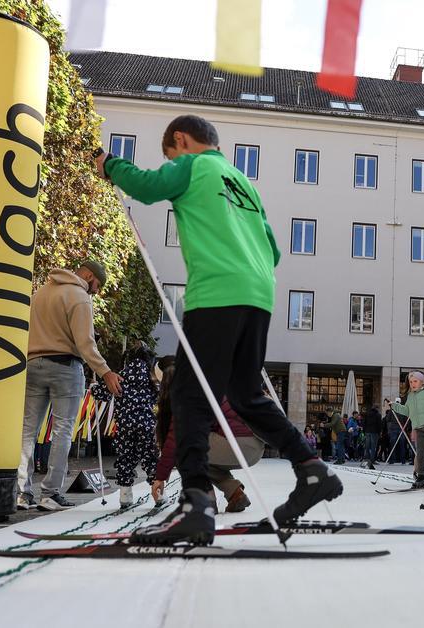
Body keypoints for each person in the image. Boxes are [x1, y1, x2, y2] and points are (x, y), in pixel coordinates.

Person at [97, 114, 341, 543]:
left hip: (217, 292)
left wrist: (110, 165)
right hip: (259, 293)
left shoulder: (192, 165)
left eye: (169, 155)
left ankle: (196, 505)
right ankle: (312, 470)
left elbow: (147, 187)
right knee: (247, 394)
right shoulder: (243, 182)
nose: (169, 162)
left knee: (188, 396)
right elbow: (274, 250)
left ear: (181, 140)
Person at [14, 262, 120, 512]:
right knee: (63, 430)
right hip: (65, 367)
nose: (95, 291)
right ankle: (50, 492)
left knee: (28, 430)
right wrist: (105, 372)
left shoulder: (40, 293)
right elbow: (86, 343)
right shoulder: (79, 297)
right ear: (89, 276)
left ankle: (22, 492)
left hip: (33, 363)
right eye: (97, 286)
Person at [151, 363, 263, 513]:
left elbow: (175, 440)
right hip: (254, 445)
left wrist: (160, 478)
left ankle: (207, 500)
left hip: (237, 441)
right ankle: (235, 493)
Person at [90, 343, 159, 508]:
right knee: (150, 459)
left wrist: (94, 387)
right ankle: (159, 495)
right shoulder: (152, 378)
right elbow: (159, 396)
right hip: (146, 425)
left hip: (125, 425)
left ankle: (125, 496)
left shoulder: (120, 376)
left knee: (125, 459)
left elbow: (100, 394)